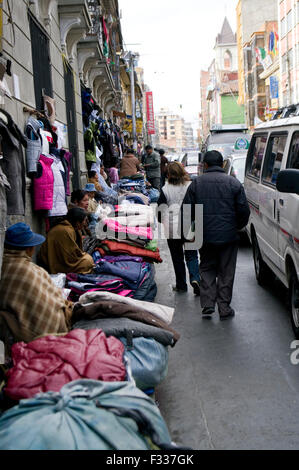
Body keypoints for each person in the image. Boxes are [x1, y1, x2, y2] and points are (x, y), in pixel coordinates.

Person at [183, 150, 250, 320]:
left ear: (204, 165)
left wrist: (191, 233)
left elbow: (187, 210)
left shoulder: (196, 184)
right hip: (228, 236)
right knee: (226, 271)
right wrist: (236, 227)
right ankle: (224, 307)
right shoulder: (233, 183)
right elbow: (243, 210)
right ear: (222, 165)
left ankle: (207, 305)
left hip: (205, 236)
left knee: (206, 267)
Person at [0, 223, 73, 344]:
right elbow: (56, 299)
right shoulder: (33, 270)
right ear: (28, 249)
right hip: (45, 331)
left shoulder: (4, 265)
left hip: (36, 328)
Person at [157, 162, 201, 295]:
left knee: (177, 258)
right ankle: (195, 278)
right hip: (189, 224)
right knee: (192, 254)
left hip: (172, 227)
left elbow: (160, 209)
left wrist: (161, 221)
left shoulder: (165, 189)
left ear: (169, 174)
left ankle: (181, 285)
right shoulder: (191, 185)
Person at [39, 208, 95, 275]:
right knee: (87, 262)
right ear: (77, 222)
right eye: (84, 221)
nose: (85, 223)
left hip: (60, 259)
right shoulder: (66, 231)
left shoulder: (72, 228)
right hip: (53, 262)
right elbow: (69, 256)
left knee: (88, 259)